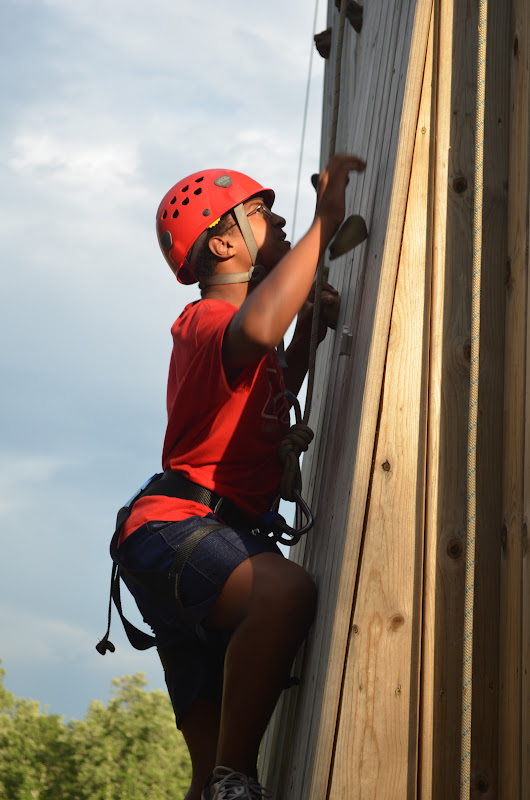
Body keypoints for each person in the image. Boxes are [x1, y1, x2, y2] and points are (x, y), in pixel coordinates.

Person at [114, 154, 365, 800]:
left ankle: (222, 780)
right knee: (283, 594)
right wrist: (325, 221)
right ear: (225, 243)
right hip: (180, 531)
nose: (278, 217)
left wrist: (308, 332)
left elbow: (267, 392)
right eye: (261, 211)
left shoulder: (243, 341)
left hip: (179, 548)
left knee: (206, 772)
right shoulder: (208, 322)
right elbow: (258, 327)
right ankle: (236, 778)